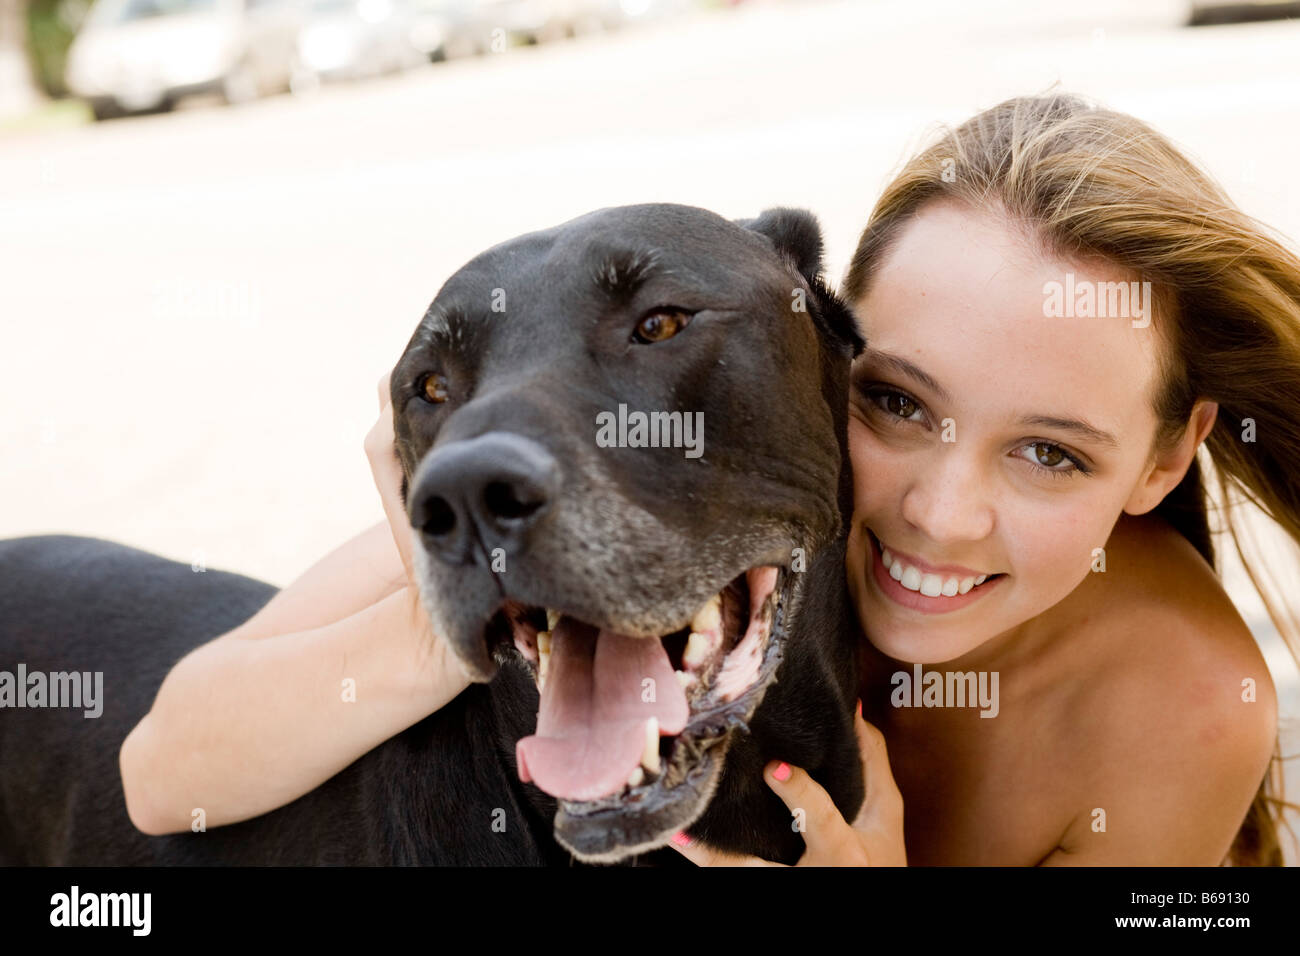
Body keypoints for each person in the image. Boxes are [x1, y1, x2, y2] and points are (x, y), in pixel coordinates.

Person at [122, 90, 1300, 866]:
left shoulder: (1183, 703)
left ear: (1161, 455)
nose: (942, 513)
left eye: (1052, 452)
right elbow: (162, 770)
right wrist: (465, 614)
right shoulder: (643, 470)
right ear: (819, 351)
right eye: (896, 402)